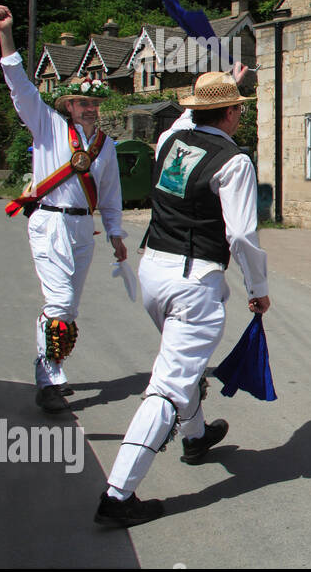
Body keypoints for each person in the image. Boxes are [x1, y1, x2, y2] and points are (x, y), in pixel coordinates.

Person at [95, 66, 268, 527]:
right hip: (195, 281)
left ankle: (194, 437)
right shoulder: (234, 163)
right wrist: (258, 289)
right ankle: (118, 494)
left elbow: (188, 119)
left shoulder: (170, 139)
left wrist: (215, 88)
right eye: (236, 110)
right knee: (169, 383)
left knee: (179, 359)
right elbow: (243, 236)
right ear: (232, 113)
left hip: (153, 268)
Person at [0, 4, 127, 414]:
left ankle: (54, 369)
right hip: (49, 223)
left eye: (93, 103)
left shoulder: (106, 147)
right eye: (81, 102)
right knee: (61, 303)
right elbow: (20, 85)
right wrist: (6, 35)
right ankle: (47, 378)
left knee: (68, 303)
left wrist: (117, 235)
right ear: (68, 105)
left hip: (83, 229)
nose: (89, 108)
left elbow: (111, 194)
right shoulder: (47, 126)